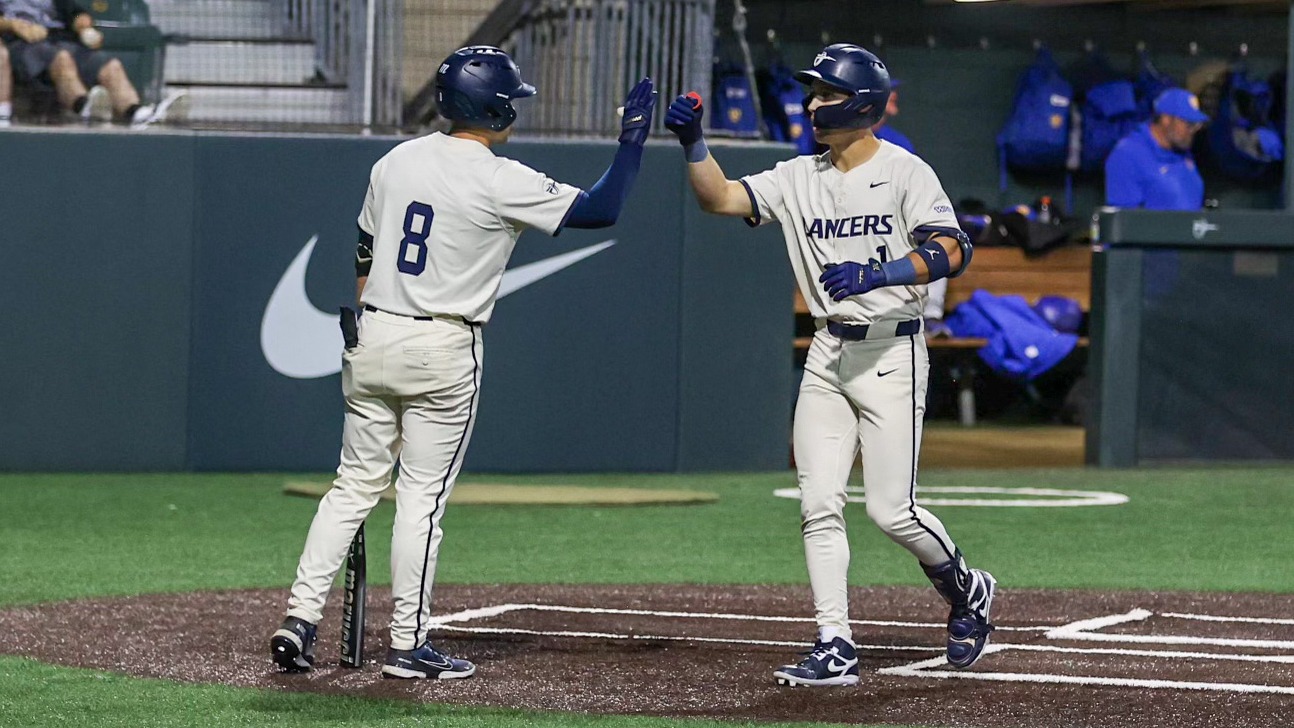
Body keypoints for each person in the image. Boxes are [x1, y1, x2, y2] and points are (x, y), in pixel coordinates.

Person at [269, 46, 655, 680]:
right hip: (443, 345)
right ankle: (407, 643)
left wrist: (373, 308)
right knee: (421, 497)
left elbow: (364, 244)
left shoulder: (395, 159)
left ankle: (299, 618)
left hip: (372, 334)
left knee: (351, 487)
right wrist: (633, 140)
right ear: (495, 106)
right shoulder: (498, 176)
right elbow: (602, 208)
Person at [664, 43, 996, 687]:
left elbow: (954, 250)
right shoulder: (798, 175)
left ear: (863, 103)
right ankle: (834, 640)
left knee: (890, 511)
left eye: (828, 93)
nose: (814, 103)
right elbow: (721, 200)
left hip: (891, 350)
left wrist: (882, 271)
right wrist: (693, 145)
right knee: (817, 502)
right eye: (813, 92)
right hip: (827, 352)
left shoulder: (905, 170)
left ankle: (966, 590)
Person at [0, 0, 185, 126]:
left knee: (112, 68)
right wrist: (14, 26)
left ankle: (138, 114)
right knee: (63, 61)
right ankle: (87, 108)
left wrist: (83, 25)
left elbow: (75, 13)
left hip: (61, 40)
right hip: (22, 45)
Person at [1104, 87, 1208, 210]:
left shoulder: (1182, 153)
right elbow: (1125, 221)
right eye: (1189, 124)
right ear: (1166, 119)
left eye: (1197, 125)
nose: (1193, 131)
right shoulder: (1127, 156)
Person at [871, 78, 915, 154]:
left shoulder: (898, 142)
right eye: (888, 90)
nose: (894, 95)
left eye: (895, 90)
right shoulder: (848, 134)